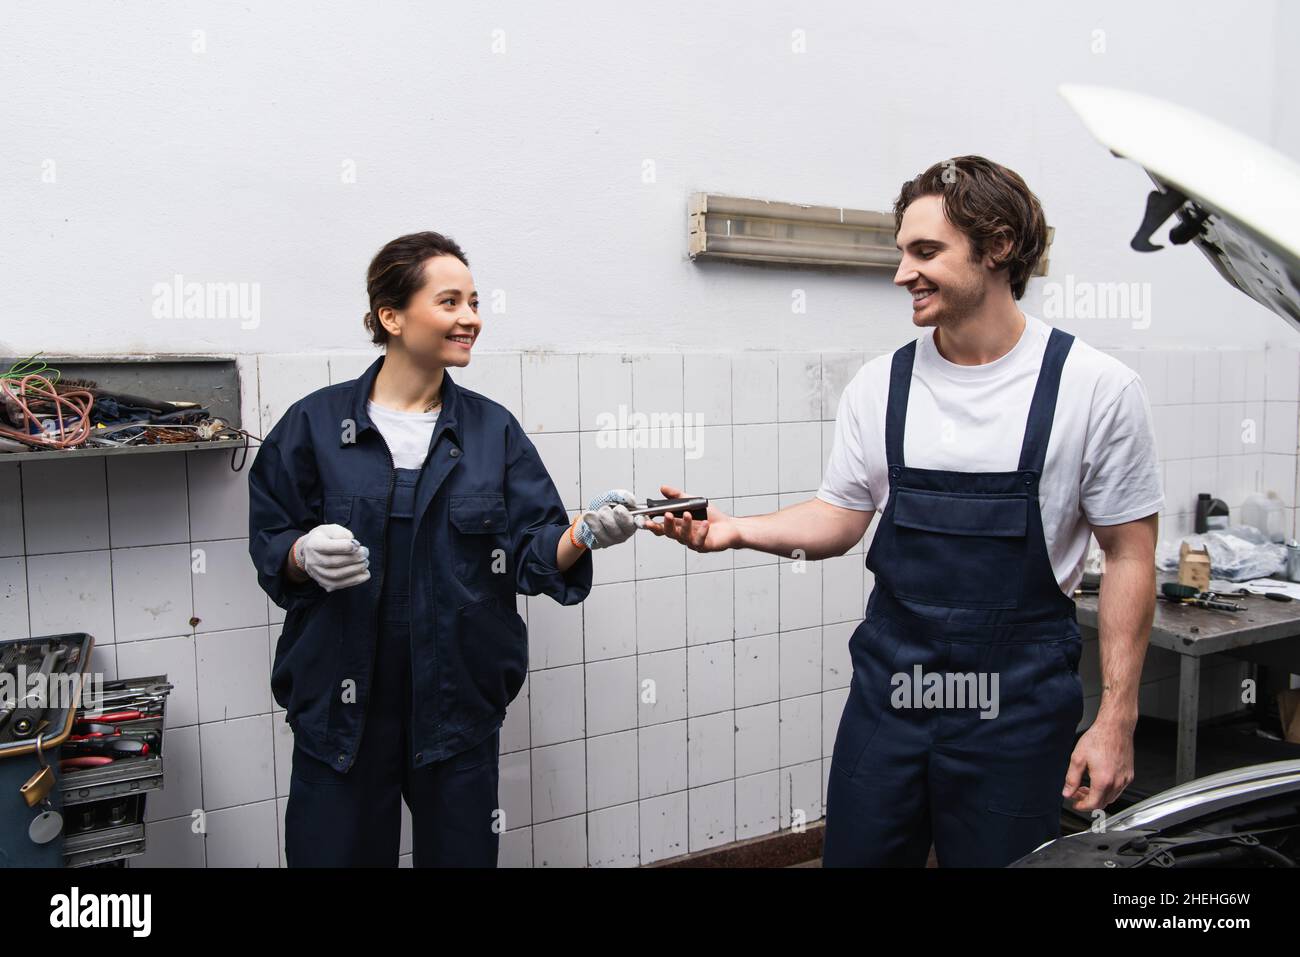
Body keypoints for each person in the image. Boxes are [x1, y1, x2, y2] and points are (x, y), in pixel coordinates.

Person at [649, 157, 1162, 866]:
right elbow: (841, 514)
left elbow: (1130, 553)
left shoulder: (1095, 388)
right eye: (902, 252)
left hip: (1014, 715)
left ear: (999, 246)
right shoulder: (880, 386)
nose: (901, 273)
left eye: (925, 252)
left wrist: (1117, 717)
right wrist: (737, 529)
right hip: (889, 702)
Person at [248, 231, 639, 866]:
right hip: (340, 714)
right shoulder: (315, 427)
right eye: (451, 301)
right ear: (392, 316)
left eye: (475, 302)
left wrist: (582, 534)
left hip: (455, 710)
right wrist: (300, 555)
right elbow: (271, 543)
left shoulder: (492, 431)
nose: (471, 319)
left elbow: (531, 551)